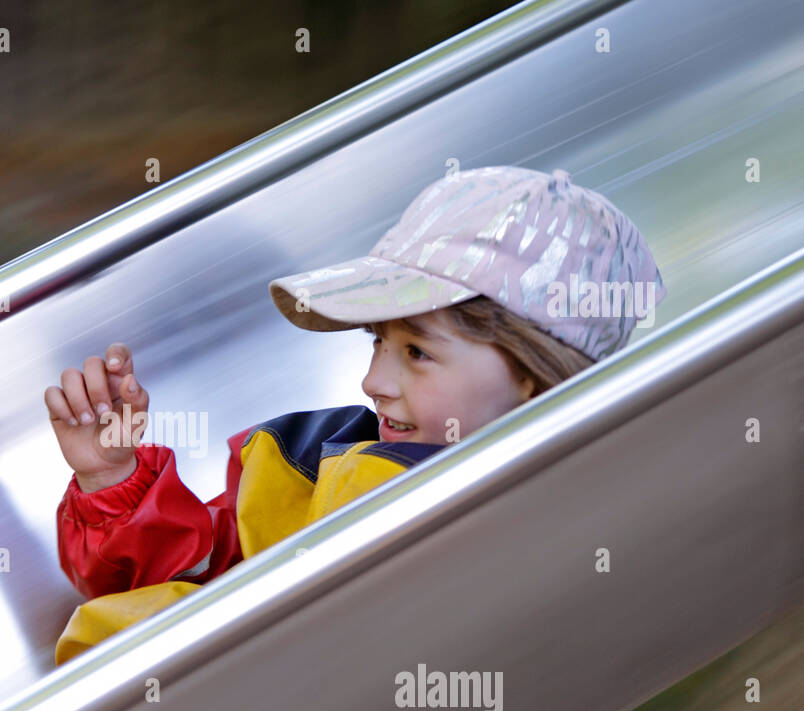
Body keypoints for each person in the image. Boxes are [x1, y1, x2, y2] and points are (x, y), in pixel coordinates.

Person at [45, 165, 666, 664]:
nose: (373, 381)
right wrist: (114, 485)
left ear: (531, 373)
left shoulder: (527, 534)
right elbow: (204, 572)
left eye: (417, 352)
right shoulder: (312, 457)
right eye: (378, 342)